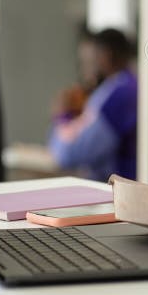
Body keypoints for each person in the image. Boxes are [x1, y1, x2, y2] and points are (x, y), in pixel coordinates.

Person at [49, 28, 138, 181]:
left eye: (90, 61)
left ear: (106, 55)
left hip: (118, 187)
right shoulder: (124, 85)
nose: (86, 70)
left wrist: (63, 117)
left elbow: (70, 154)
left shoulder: (119, 94)